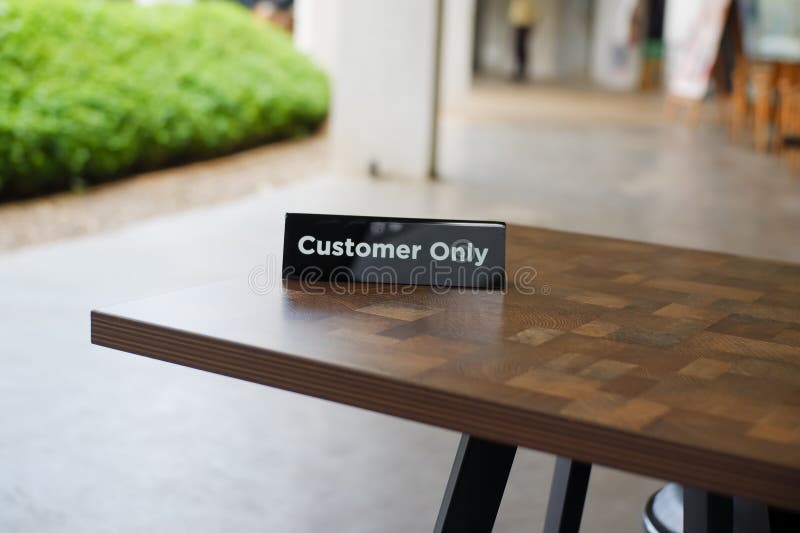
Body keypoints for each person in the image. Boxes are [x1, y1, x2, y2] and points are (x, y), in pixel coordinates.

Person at [508, 0, 539, 81]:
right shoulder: (515, 2)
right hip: (517, 26)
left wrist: (532, 27)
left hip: (525, 26)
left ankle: (522, 72)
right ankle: (517, 72)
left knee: (522, 49)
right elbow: (513, 13)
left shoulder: (528, 2)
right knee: (517, 49)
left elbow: (535, 15)